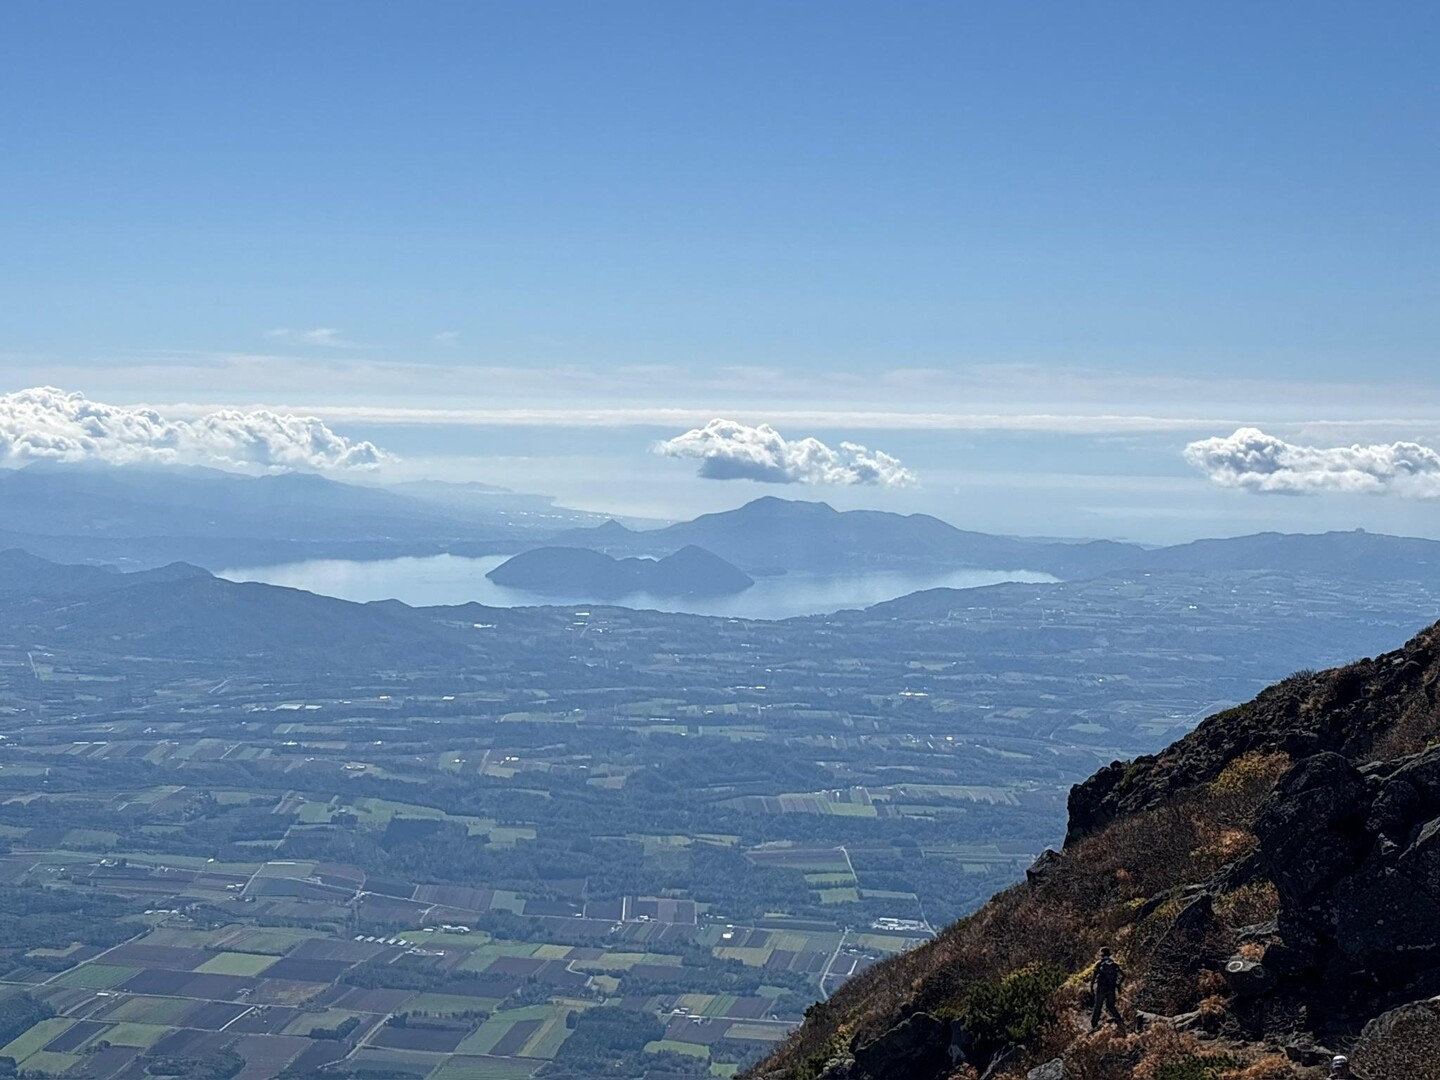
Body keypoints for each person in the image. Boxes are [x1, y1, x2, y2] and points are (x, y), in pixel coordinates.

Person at [1090, 947, 1125, 1032]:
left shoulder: (1099, 963)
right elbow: (1123, 975)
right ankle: (1120, 1022)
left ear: (1102, 955)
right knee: (1111, 1006)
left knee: (1098, 1006)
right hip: (1111, 988)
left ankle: (1094, 1025)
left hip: (1101, 988)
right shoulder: (1114, 964)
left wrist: (1091, 986)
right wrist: (1118, 985)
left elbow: (1094, 976)